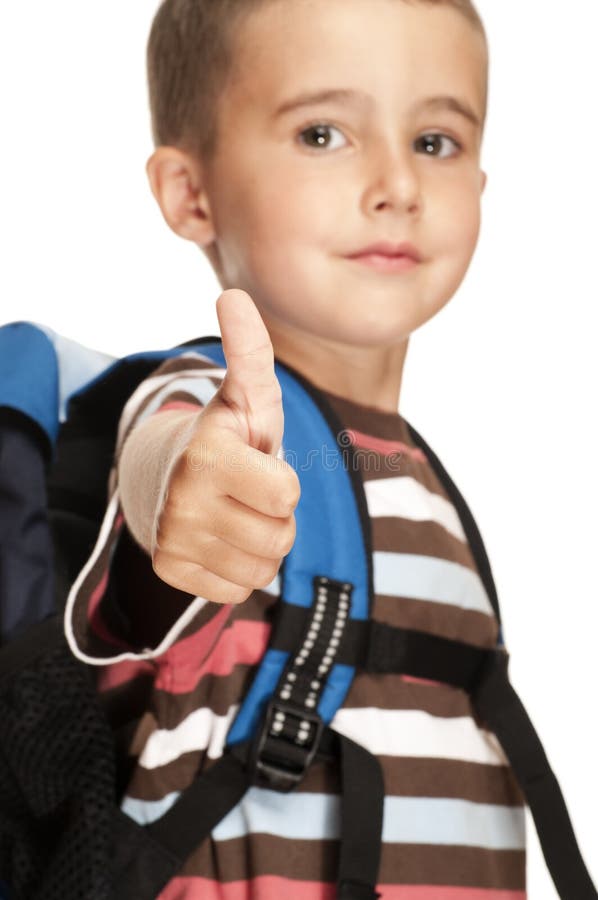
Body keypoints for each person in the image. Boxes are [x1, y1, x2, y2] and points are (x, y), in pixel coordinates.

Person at [63, 0, 534, 896]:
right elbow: (167, 460)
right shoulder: (212, 403)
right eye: (323, 133)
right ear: (188, 193)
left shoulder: (415, 475)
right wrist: (187, 492)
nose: (398, 181)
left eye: (436, 140)